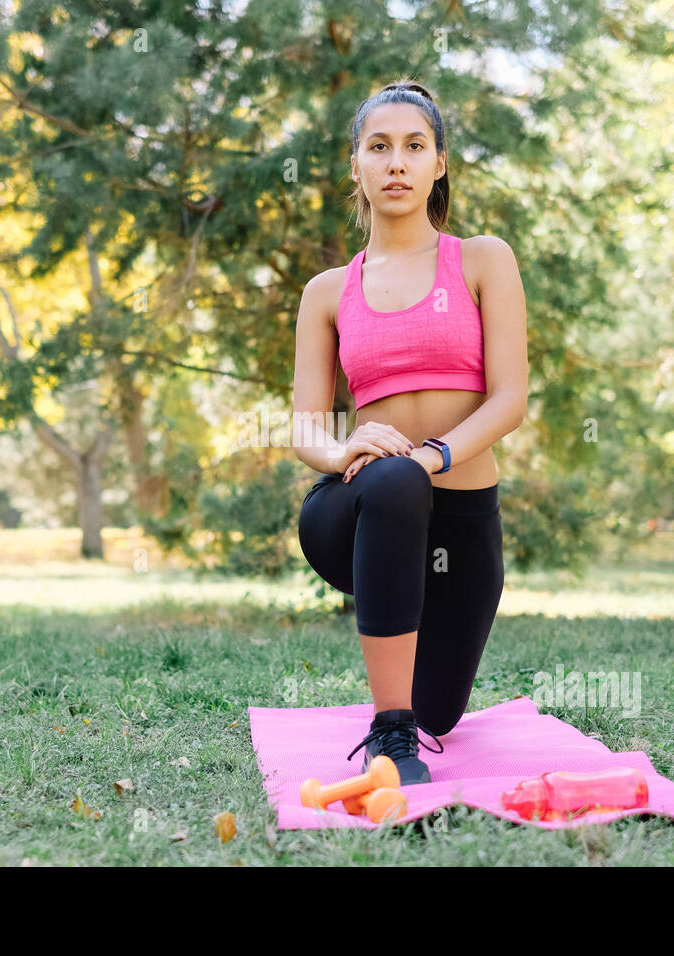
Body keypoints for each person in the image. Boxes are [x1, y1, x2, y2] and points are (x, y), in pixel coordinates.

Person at [291, 78, 528, 786]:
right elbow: (307, 424)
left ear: (439, 164)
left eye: (414, 147)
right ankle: (387, 733)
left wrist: (436, 455)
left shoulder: (484, 259)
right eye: (379, 147)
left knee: (442, 715)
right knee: (393, 477)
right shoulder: (327, 291)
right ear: (356, 165)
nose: (396, 163)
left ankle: (412, 715)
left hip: (460, 520)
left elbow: (510, 397)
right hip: (363, 508)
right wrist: (344, 449)